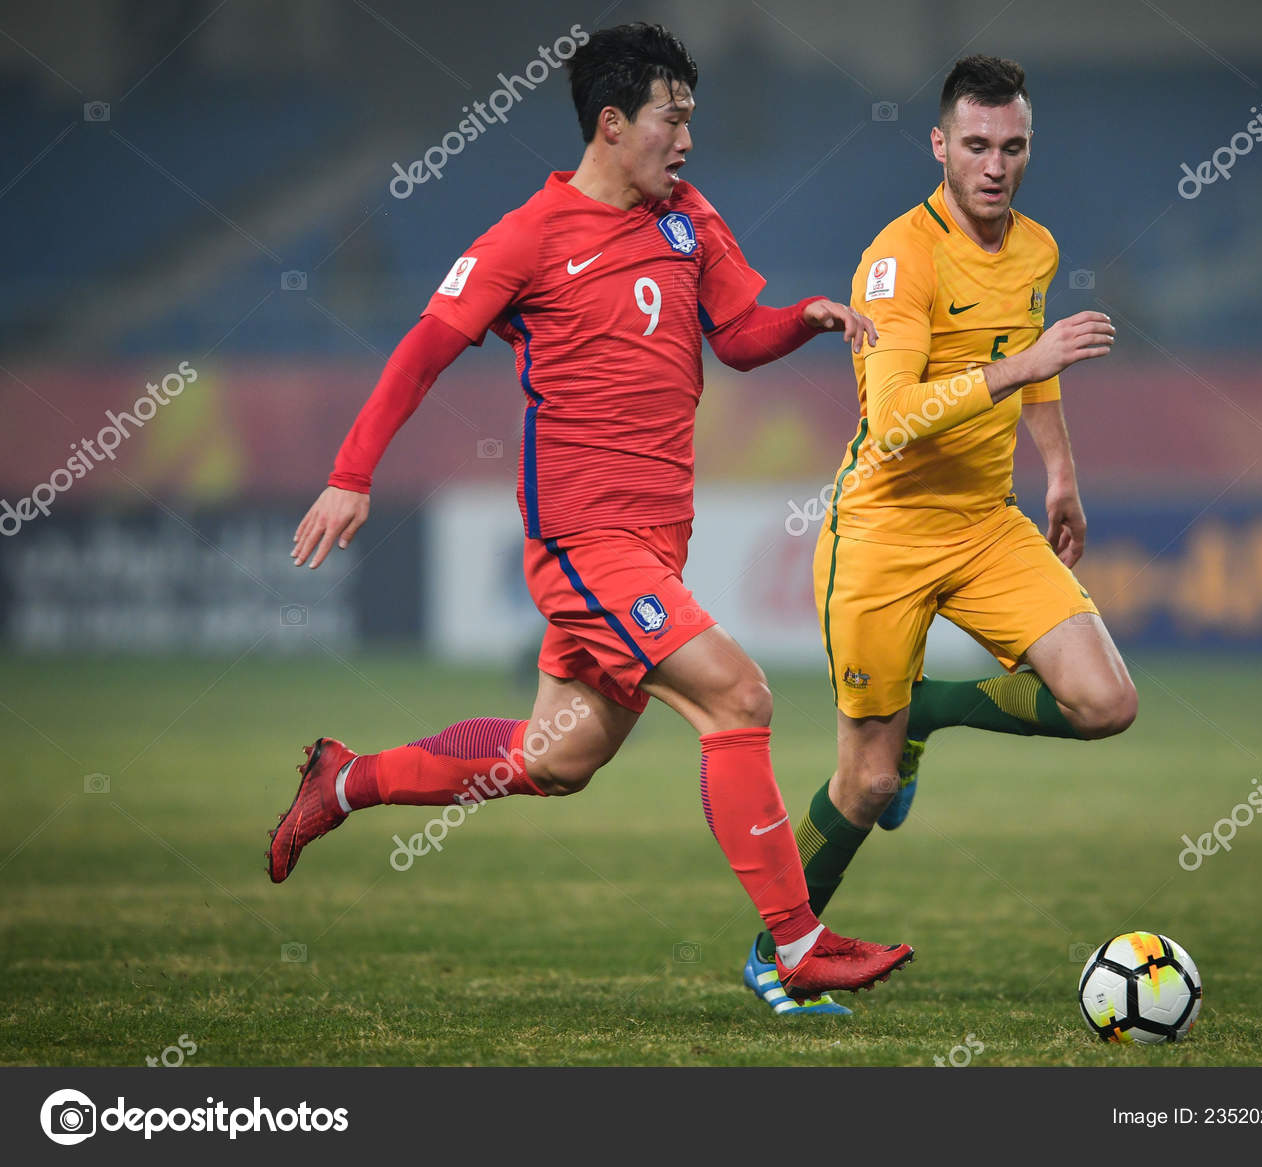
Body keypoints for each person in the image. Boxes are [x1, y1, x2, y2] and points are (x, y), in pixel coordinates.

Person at [270, 22, 913, 1003]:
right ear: (613, 124)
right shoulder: (527, 238)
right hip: (582, 545)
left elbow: (738, 336)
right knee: (738, 699)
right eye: (673, 118)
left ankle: (345, 779)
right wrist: (350, 473)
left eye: (691, 119)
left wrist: (807, 319)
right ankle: (794, 944)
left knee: (555, 758)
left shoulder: (688, 217)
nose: (688, 140)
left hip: (656, 547)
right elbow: (421, 352)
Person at [741, 54, 1134, 1016]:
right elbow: (896, 413)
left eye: (1013, 147)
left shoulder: (1034, 250)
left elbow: (1030, 369)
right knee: (866, 782)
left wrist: (1064, 471)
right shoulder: (896, 259)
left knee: (1105, 702)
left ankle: (933, 709)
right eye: (975, 146)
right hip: (883, 531)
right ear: (940, 147)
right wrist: (1024, 366)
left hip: (985, 522)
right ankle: (776, 955)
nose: (995, 165)